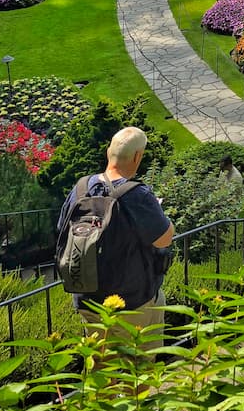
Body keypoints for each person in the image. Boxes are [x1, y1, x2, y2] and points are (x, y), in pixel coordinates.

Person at [57, 127, 174, 344]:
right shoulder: (137, 194)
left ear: (108, 152)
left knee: (100, 365)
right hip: (131, 300)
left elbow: (61, 230)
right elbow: (164, 238)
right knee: (139, 367)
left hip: (88, 298)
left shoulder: (80, 188)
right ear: (138, 157)